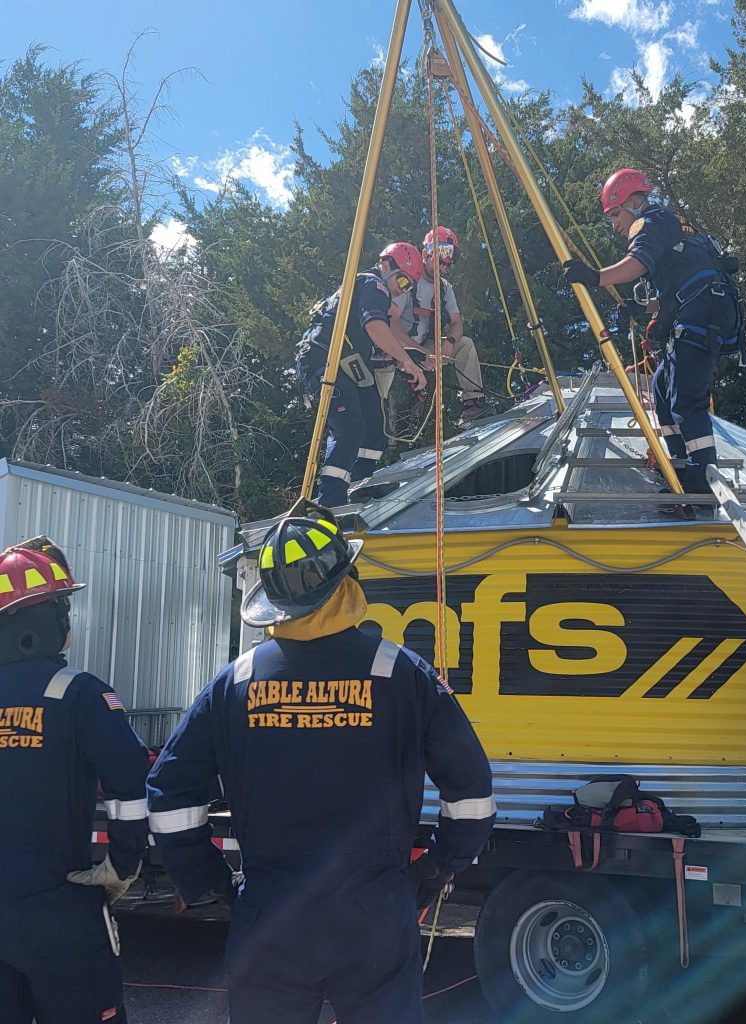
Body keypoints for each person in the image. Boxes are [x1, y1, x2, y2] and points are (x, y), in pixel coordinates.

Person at [147, 506, 495, 1024]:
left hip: (270, 917)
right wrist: (436, 869)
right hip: (375, 914)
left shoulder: (236, 682)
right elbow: (470, 796)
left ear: (275, 604)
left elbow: (170, 792)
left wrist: (208, 882)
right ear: (346, 583)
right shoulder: (400, 672)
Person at [0, 536, 150, 1024]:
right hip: (60, 910)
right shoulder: (77, 695)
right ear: (52, 620)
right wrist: (121, 864)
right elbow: (131, 785)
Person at [563, 169, 742, 510]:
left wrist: (595, 277)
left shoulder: (650, 222)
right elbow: (684, 282)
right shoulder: (678, 230)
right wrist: (644, 307)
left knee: (686, 398)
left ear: (635, 201)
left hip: (700, 313)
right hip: (705, 306)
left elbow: (638, 263)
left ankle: (701, 479)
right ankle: (680, 467)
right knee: (661, 388)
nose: (614, 224)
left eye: (615, 215)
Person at [296, 243, 428, 508]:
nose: (402, 288)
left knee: (373, 424)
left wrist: (410, 359)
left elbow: (379, 340)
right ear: (386, 264)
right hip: (323, 360)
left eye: (409, 286)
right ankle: (331, 500)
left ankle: (359, 485)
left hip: (344, 363)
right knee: (350, 428)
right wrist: (407, 362)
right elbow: (375, 326)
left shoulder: (367, 288)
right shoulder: (374, 285)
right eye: (402, 279)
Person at [392, 226, 492, 424]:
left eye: (448, 262)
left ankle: (473, 403)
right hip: (396, 350)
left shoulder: (445, 288)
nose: (443, 267)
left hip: (423, 350)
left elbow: (456, 322)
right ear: (425, 253)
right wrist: (419, 351)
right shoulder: (409, 279)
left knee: (464, 345)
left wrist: (450, 341)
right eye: (440, 259)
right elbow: (391, 323)